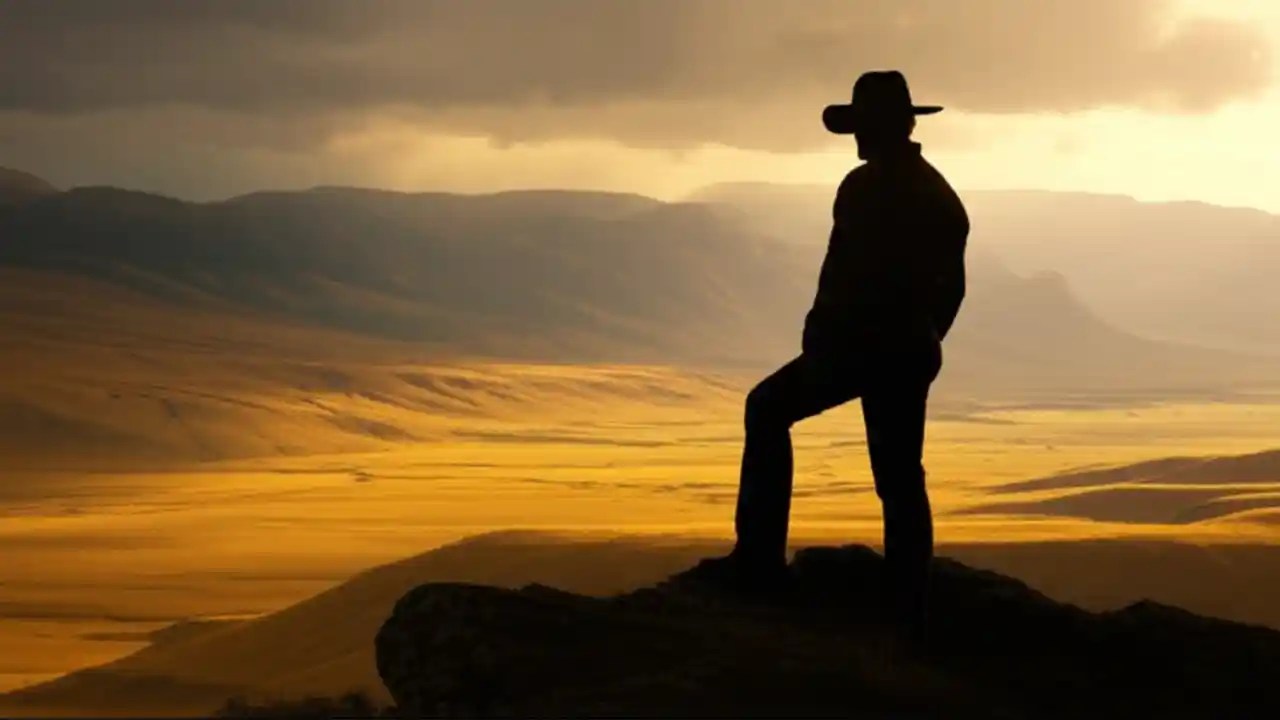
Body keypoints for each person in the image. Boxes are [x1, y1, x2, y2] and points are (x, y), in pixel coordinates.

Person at [689, 70, 969, 639]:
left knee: (769, 410)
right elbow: (948, 291)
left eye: (863, 126)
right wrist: (921, 339)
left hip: (868, 347)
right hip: (898, 348)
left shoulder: (874, 190)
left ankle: (761, 562)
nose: (857, 138)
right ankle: (907, 602)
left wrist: (832, 334)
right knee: (898, 474)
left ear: (882, 127)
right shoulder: (930, 194)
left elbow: (846, 276)